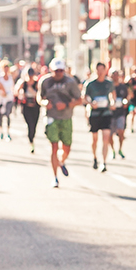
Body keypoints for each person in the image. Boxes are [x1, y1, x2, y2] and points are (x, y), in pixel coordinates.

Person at [38, 58, 82, 188]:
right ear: (51, 70)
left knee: (67, 147)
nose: (59, 73)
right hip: (51, 117)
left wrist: (67, 104)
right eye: (56, 71)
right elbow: (39, 97)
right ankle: (55, 177)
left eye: (61, 71)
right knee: (54, 146)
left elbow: (79, 99)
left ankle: (61, 161)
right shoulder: (45, 81)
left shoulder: (70, 82)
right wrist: (45, 103)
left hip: (66, 117)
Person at [84, 62, 115, 172]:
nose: (100, 72)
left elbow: (112, 95)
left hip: (106, 113)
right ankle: (95, 158)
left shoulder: (109, 83)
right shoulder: (90, 84)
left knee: (106, 137)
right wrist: (91, 103)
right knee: (95, 139)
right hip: (94, 113)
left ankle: (104, 162)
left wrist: (112, 103)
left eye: (103, 69)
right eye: (98, 69)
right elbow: (85, 97)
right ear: (95, 70)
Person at [15, 66, 42, 153]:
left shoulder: (36, 83)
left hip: (35, 107)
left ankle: (32, 139)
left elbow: (40, 94)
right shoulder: (23, 83)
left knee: (34, 125)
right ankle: (31, 140)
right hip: (26, 107)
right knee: (29, 123)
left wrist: (33, 91)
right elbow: (16, 92)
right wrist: (21, 95)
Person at [111, 68, 131, 159]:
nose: (115, 76)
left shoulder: (123, 87)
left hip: (121, 112)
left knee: (121, 131)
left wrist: (126, 101)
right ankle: (112, 150)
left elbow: (128, 96)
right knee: (109, 134)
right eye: (113, 75)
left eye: (116, 74)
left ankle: (120, 149)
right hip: (110, 113)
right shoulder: (109, 86)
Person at [0, 60, 16, 141]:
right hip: (1, 99)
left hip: (9, 98)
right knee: (1, 116)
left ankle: (8, 132)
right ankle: (1, 131)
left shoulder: (10, 77)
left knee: (8, 115)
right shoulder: (0, 78)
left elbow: (12, 87)